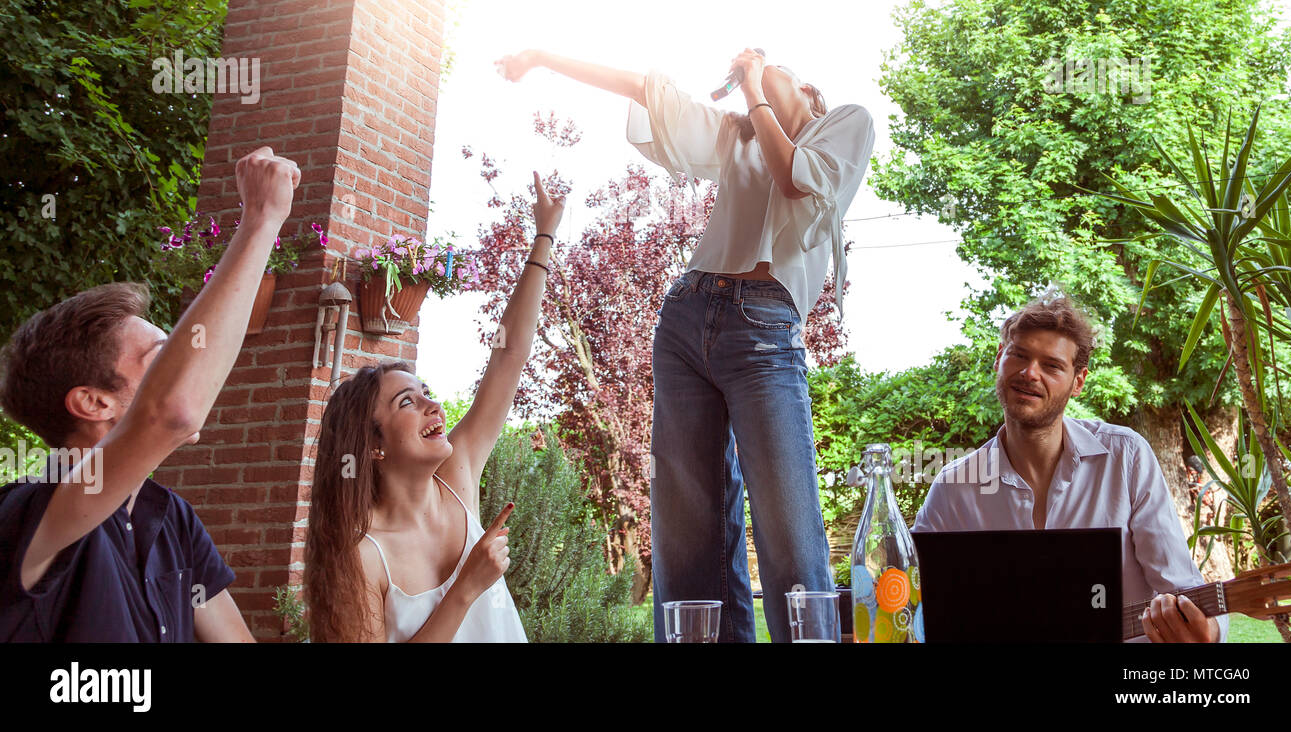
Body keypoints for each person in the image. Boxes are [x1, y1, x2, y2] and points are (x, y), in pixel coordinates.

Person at [495, 48, 874, 643]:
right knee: (689, 525)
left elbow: (797, 179)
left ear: (807, 89)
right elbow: (649, 89)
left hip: (766, 325)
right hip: (686, 316)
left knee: (788, 526)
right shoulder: (738, 134)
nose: (758, 65)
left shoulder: (846, 124)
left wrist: (752, 86)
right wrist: (544, 59)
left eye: (772, 67)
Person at [0, 146, 301, 641]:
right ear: (94, 402)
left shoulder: (171, 520)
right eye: (161, 358)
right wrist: (262, 220)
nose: (181, 369)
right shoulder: (31, 515)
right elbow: (172, 412)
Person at [305, 172, 564, 642]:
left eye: (425, 390)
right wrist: (465, 588)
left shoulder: (457, 478)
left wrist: (544, 236)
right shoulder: (363, 554)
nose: (432, 403)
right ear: (373, 445)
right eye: (408, 400)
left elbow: (509, 355)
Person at [911, 295, 1230, 643]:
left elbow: (1182, 587)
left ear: (1078, 382)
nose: (1029, 372)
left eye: (1051, 365)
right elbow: (911, 602)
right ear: (999, 359)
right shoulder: (954, 486)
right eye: (1018, 355)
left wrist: (1208, 633)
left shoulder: (1126, 457)